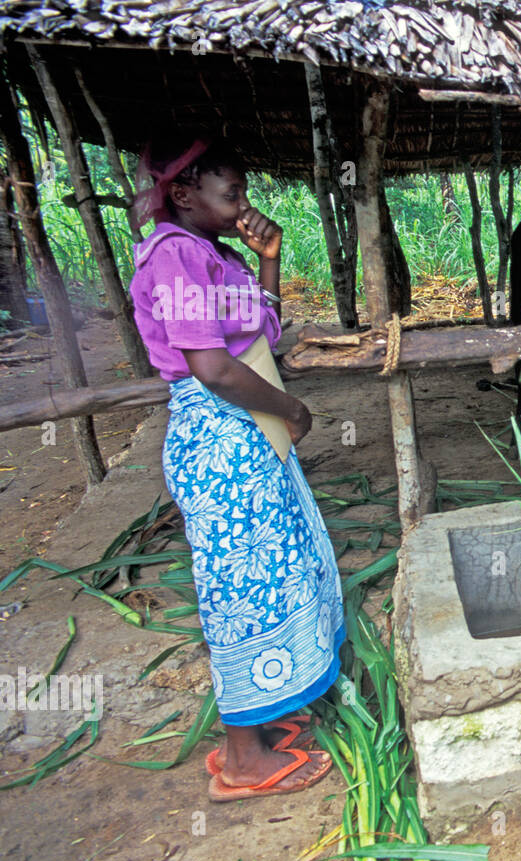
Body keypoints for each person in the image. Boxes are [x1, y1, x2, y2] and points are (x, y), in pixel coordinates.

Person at [128, 135, 344, 799]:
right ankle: (242, 757)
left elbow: (262, 334)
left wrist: (269, 260)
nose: (242, 205)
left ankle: (261, 723)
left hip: (243, 437)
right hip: (220, 441)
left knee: (268, 576)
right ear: (185, 195)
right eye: (232, 194)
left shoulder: (211, 254)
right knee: (239, 593)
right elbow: (214, 368)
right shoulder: (175, 258)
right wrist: (294, 411)